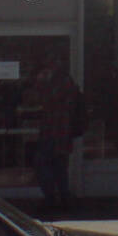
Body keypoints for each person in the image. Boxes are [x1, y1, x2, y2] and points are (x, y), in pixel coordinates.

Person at [33, 56, 81, 212]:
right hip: (61, 131)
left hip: (55, 131)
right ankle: (63, 199)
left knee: (43, 163)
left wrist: (42, 82)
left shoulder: (59, 82)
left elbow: (49, 100)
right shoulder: (66, 81)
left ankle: (52, 198)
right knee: (59, 166)